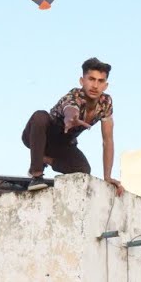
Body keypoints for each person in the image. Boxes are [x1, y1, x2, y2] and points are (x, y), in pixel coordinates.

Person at [21, 57, 124, 195]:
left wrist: (107, 177)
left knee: (83, 170)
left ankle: (43, 158)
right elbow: (70, 108)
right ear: (82, 81)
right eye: (91, 79)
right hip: (40, 135)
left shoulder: (106, 103)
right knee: (40, 116)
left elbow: (108, 140)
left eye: (100, 81)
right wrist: (71, 118)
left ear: (105, 85)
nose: (95, 85)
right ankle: (37, 175)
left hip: (63, 144)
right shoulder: (75, 95)